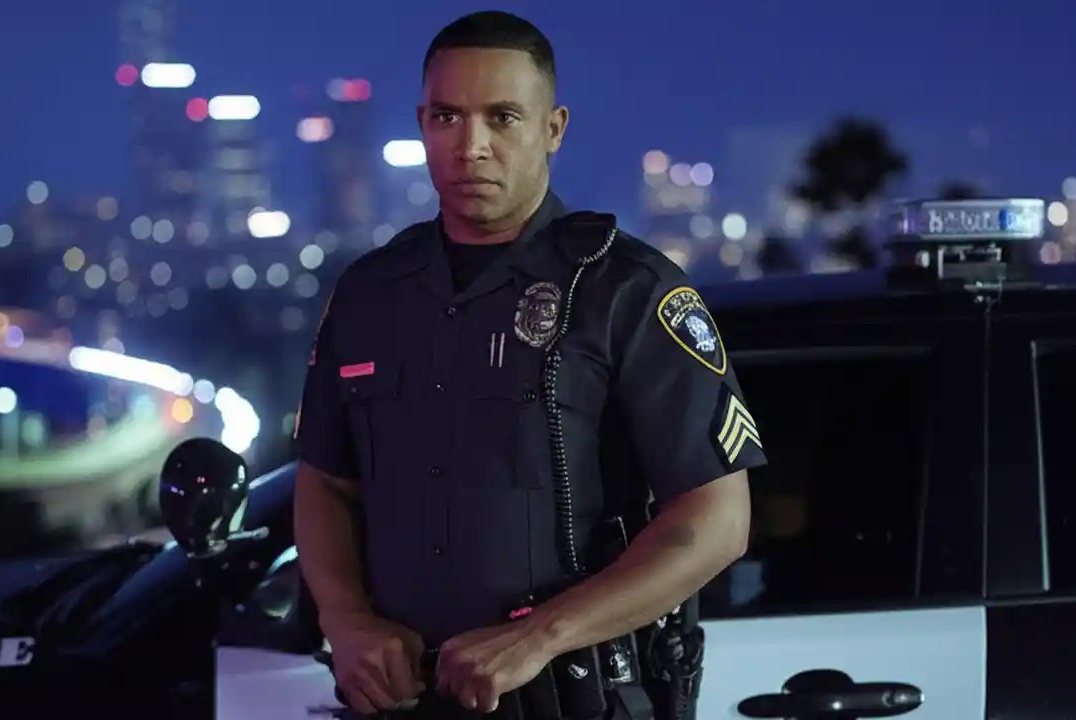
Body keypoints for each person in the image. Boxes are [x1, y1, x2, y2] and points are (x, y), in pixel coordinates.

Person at [294, 11, 766, 719]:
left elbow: (718, 521)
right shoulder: (369, 295)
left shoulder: (626, 290)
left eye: (504, 117)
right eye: (448, 116)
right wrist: (345, 620)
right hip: (403, 702)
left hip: (574, 698)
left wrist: (542, 637)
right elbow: (324, 484)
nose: (471, 146)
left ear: (554, 128)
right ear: (422, 121)